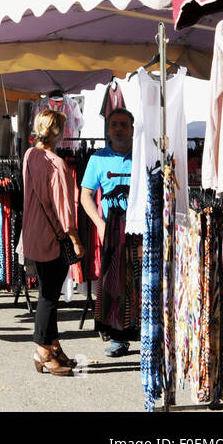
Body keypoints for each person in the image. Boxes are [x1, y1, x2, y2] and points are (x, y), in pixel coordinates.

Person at [22, 109, 83, 377]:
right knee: (49, 296)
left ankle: (53, 345)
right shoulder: (56, 164)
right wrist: (75, 239)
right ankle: (43, 351)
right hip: (53, 238)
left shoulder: (30, 155)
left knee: (48, 293)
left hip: (33, 233)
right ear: (58, 132)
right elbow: (63, 209)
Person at [80, 107, 139, 357]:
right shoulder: (97, 159)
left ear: (132, 128)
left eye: (124, 124)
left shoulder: (143, 156)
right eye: (114, 124)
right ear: (108, 129)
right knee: (114, 284)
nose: (118, 128)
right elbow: (85, 195)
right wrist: (100, 224)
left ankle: (147, 335)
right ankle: (118, 338)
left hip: (141, 226)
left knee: (142, 282)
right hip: (112, 228)